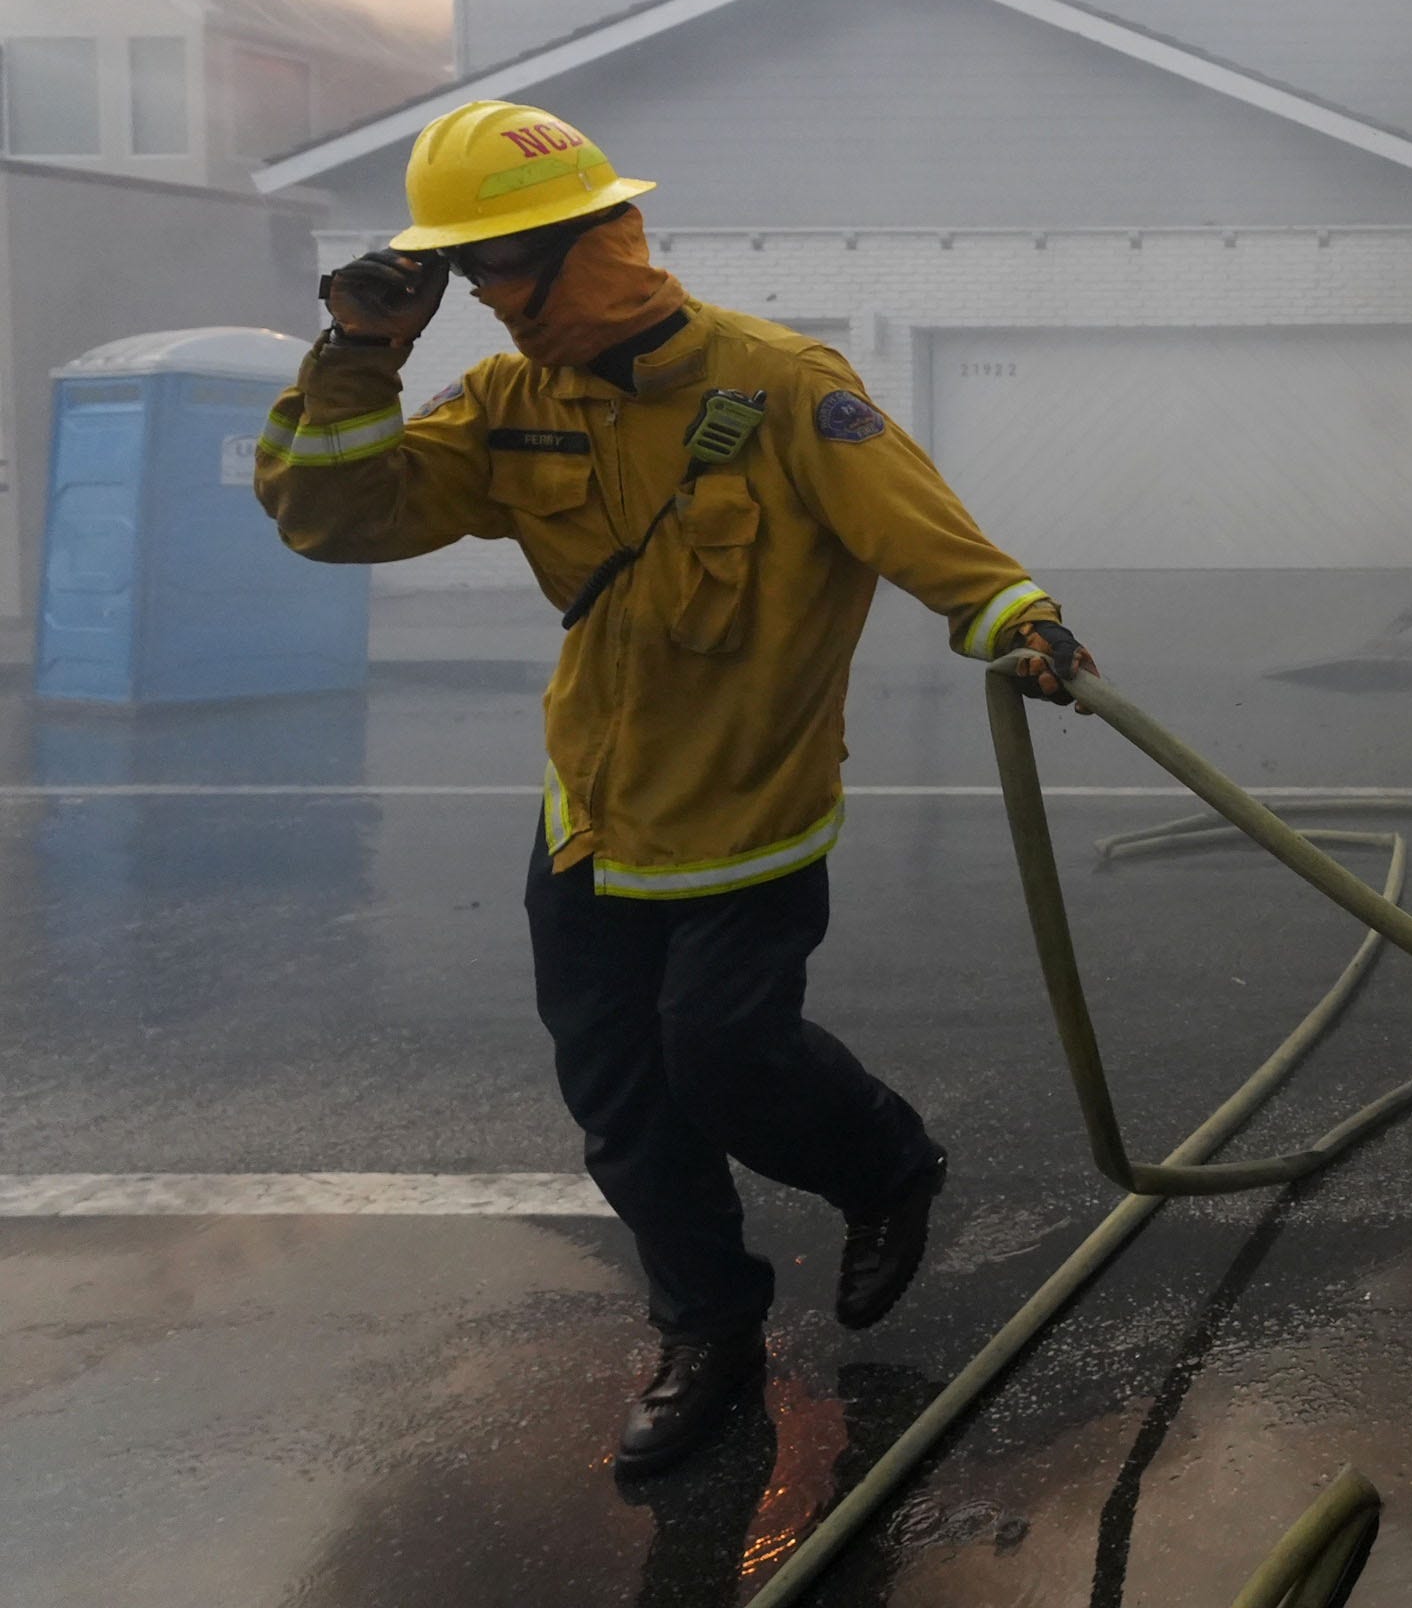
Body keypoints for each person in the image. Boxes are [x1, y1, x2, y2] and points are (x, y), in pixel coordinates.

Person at [256, 99, 1098, 1481]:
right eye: (460, 275)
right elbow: (334, 517)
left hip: (744, 809)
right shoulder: (511, 402)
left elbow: (924, 531)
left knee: (724, 1057)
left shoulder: (773, 385)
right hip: (588, 810)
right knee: (623, 1099)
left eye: (495, 268)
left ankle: (887, 1168)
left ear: (589, 246)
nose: (482, 300)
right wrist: (357, 355)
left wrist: (1019, 620)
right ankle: (706, 1327)